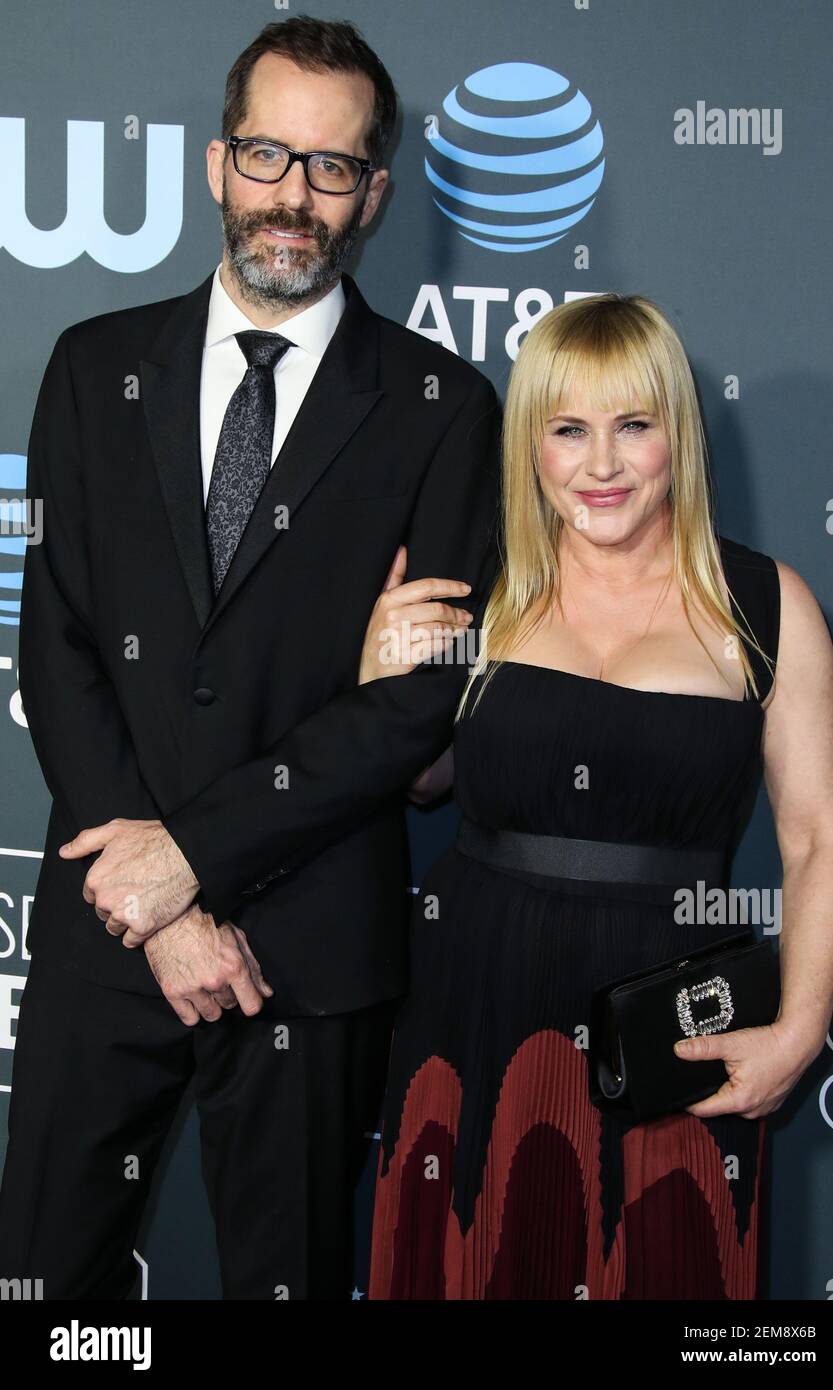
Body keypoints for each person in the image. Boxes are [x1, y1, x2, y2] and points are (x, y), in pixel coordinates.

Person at [0, 16, 501, 1299]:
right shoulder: (94, 368)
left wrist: (193, 860)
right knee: (51, 1285)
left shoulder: (442, 410)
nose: (294, 197)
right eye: (268, 156)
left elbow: (415, 708)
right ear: (217, 165)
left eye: (331, 168)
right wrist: (152, 887)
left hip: (312, 943)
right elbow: (56, 645)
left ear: (374, 194)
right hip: (109, 923)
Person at [362, 293, 833, 1300]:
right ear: (529, 445)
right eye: (567, 430)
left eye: (632, 425)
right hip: (472, 996)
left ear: (675, 428)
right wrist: (382, 683)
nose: (601, 466)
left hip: (669, 1022)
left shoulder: (763, 604)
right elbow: (422, 782)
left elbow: (815, 837)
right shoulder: (487, 595)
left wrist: (800, 1027)